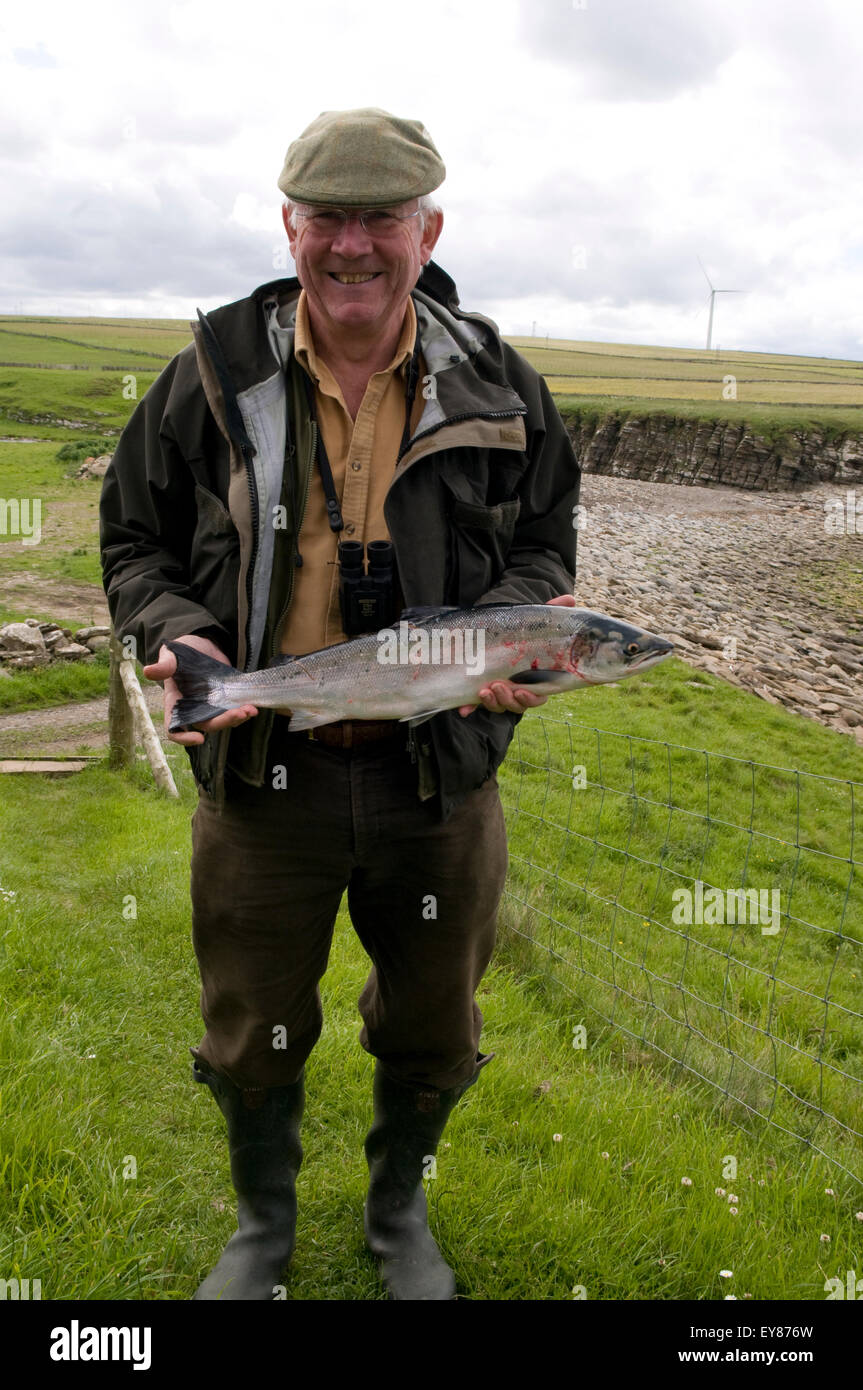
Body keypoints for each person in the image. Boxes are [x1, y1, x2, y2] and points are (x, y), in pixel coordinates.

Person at [100, 107, 581, 1301]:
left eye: (380, 220)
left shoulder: (499, 381)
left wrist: (507, 637)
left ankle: (396, 1211)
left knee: (434, 1017)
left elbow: (542, 549)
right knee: (252, 1015)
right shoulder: (211, 370)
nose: (352, 246)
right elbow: (132, 539)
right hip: (266, 777)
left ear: (428, 229)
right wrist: (177, 631)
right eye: (328, 219)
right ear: (288, 226)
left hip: (439, 779)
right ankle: (261, 1226)